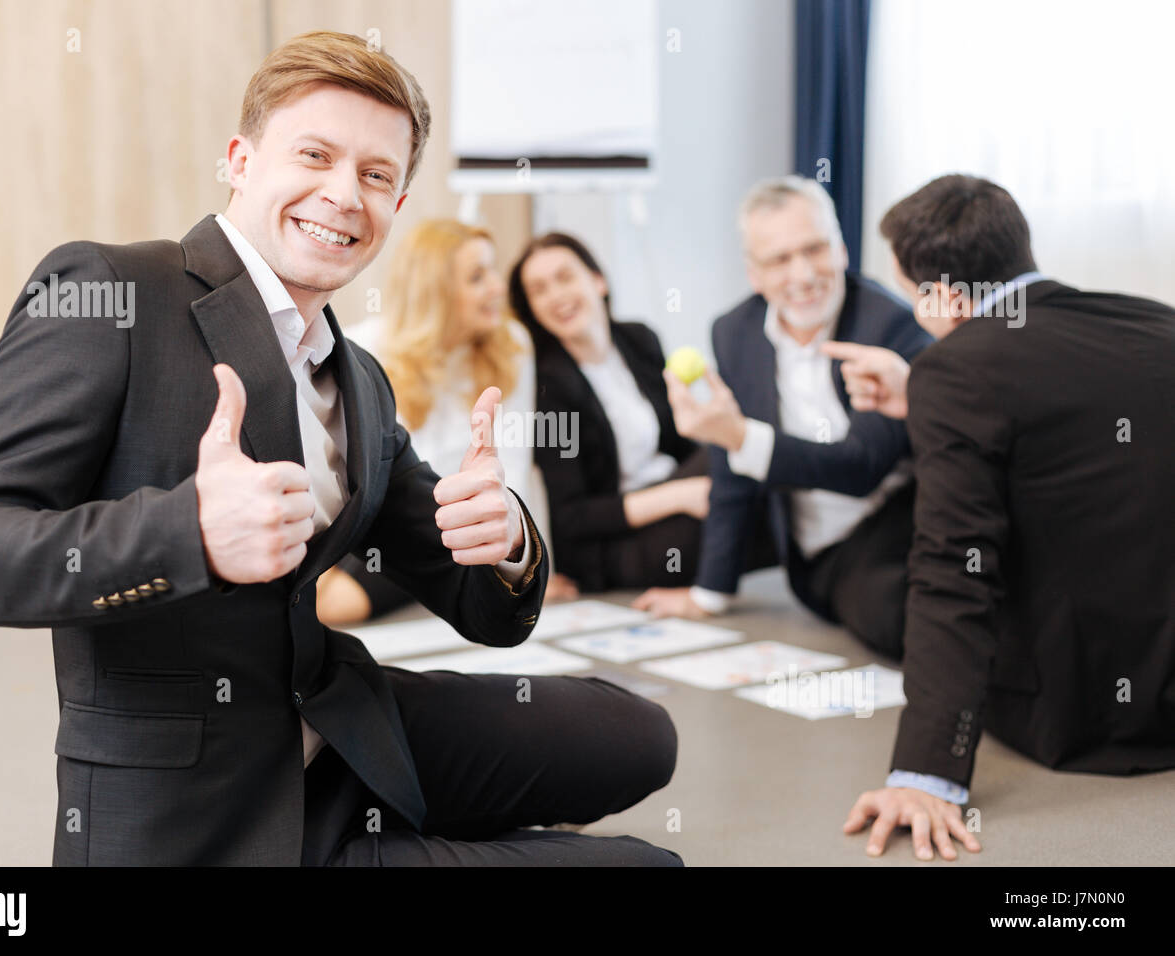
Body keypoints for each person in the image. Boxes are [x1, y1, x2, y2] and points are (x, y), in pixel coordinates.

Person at [0, 31, 680, 867]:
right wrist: (190, 533)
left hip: (342, 724)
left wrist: (504, 539)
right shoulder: (111, 291)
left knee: (641, 736)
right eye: (314, 155)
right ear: (241, 160)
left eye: (377, 175)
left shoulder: (357, 376)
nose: (344, 195)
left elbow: (477, 604)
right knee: (648, 866)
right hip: (201, 809)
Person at [831, 174, 1175, 860]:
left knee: (865, 590)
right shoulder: (1154, 321)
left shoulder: (956, 372)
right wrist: (924, 398)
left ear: (948, 296)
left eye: (914, 297)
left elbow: (954, 571)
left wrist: (926, 773)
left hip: (1084, 719)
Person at [634, 176, 932, 659]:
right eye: (779, 259)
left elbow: (862, 468)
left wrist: (739, 436)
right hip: (825, 554)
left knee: (916, 620)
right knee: (885, 613)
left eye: (815, 249)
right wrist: (710, 593)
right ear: (754, 273)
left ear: (840, 248)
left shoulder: (893, 323)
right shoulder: (734, 332)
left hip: (900, 520)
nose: (802, 274)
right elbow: (731, 473)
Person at [317, 219, 575, 625]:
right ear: (435, 291)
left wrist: (537, 568)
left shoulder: (512, 345)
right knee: (313, 599)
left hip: (463, 532)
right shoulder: (364, 347)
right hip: (388, 527)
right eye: (477, 277)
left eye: (492, 270)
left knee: (338, 607)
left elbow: (514, 469)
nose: (497, 287)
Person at [507, 232, 710, 593]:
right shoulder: (548, 387)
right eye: (539, 290)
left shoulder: (638, 339)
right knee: (726, 516)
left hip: (670, 491)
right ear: (533, 309)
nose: (555, 296)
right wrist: (681, 495)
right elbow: (572, 517)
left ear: (598, 280)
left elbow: (679, 443)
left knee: (737, 454)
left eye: (564, 278)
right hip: (611, 543)